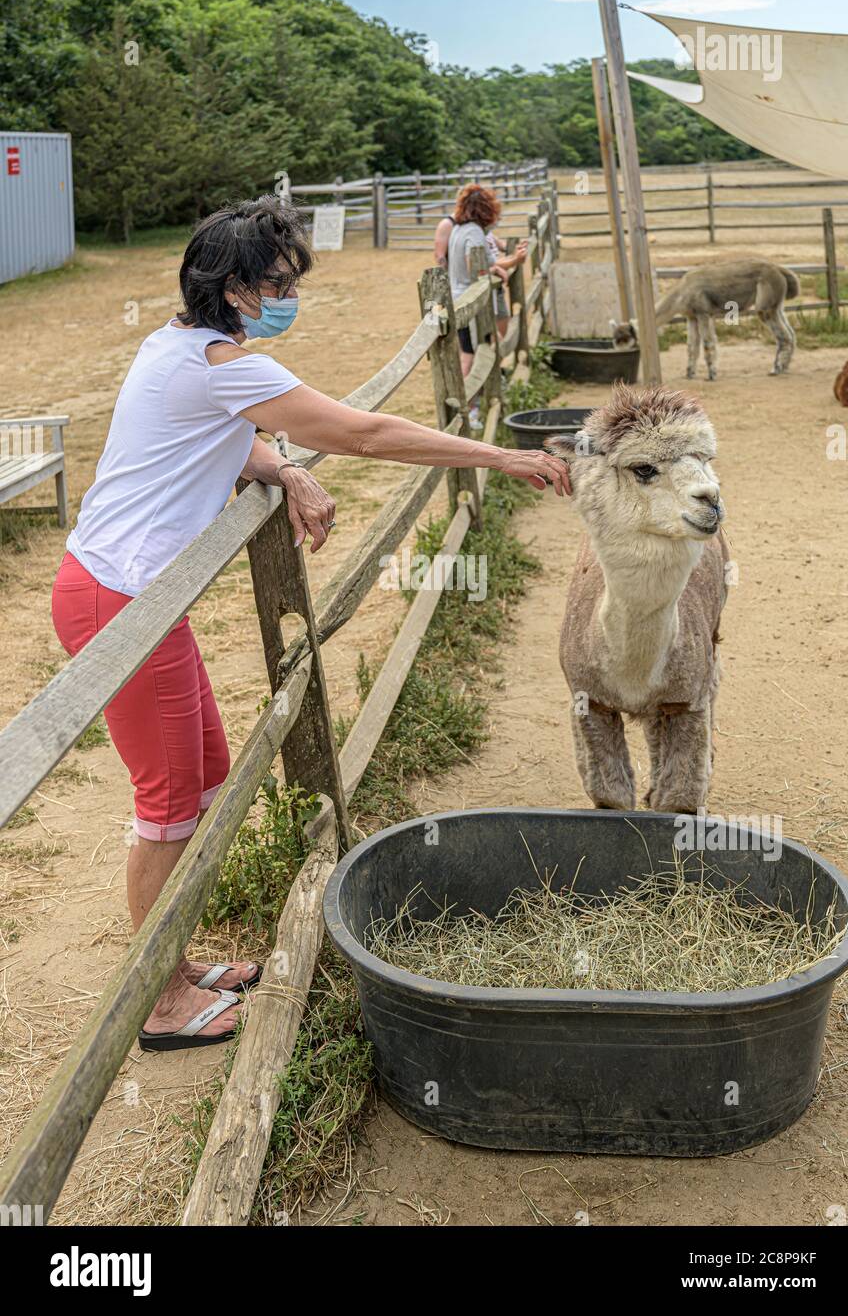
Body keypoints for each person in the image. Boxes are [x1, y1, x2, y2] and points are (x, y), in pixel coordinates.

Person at [51, 195, 570, 1052]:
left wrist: (282, 470)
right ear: (237, 287)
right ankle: (158, 1003)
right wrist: (501, 454)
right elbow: (363, 433)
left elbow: (215, 437)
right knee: (169, 801)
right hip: (122, 602)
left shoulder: (180, 350)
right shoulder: (228, 368)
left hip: (119, 590)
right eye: (279, 282)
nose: (291, 295)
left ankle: (172, 967)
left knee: (205, 775)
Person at [447, 185, 528, 394]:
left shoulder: (458, 228)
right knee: (471, 355)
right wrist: (508, 263)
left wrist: (494, 267)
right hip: (472, 302)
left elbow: (480, 265)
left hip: (459, 298)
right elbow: (475, 266)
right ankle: (468, 407)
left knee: (470, 352)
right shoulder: (474, 232)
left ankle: (472, 401)